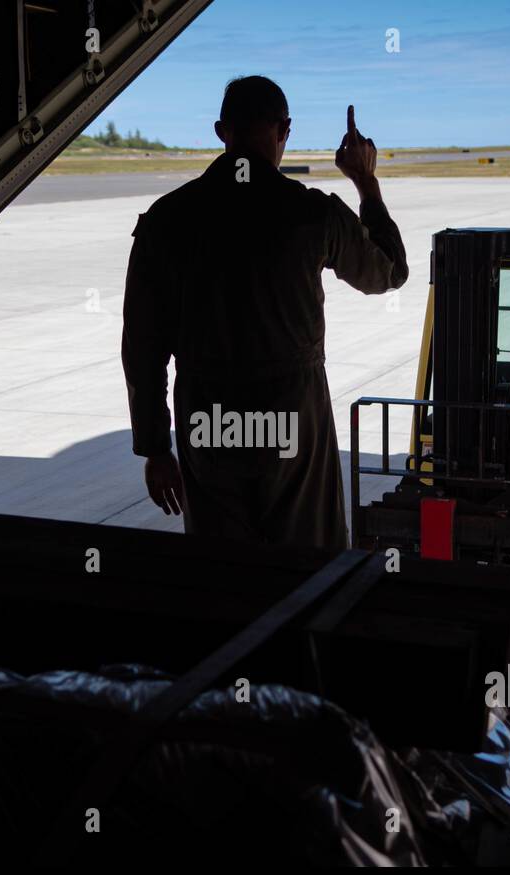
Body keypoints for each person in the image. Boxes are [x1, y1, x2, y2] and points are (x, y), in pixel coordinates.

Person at [121, 76, 408, 550]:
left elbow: (142, 348)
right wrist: (365, 181)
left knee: (220, 572)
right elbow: (389, 272)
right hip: (290, 415)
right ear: (285, 131)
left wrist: (154, 448)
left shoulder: (167, 219)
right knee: (308, 571)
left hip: (208, 420)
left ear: (221, 131)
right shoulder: (311, 214)